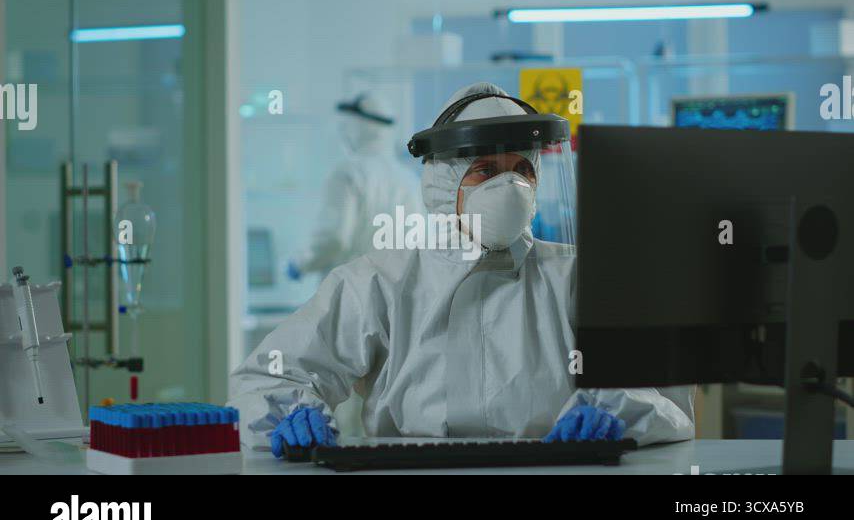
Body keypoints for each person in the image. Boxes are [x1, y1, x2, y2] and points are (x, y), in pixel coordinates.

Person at [229, 82, 695, 455]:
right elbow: (271, 375)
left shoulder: (576, 279)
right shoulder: (378, 283)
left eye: (522, 169)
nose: (509, 186)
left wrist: (621, 411)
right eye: (485, 170)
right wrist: (290, 413)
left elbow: (668, 396)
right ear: (443, 183)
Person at [287, 91, 422, 280]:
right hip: (396, 292)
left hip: (352, 292)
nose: (345, 129)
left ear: (364, 127)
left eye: (351, 122)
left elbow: (334, 238)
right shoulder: (409, 180)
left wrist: (300, 263)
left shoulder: (348, 174)